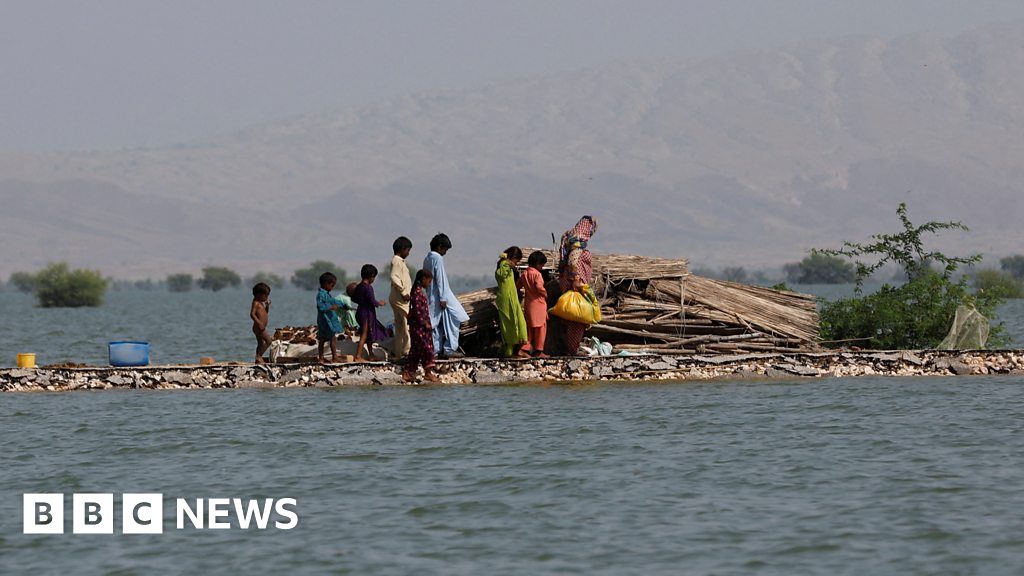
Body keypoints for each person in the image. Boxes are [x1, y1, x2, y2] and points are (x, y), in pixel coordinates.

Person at [423, 233, 469, 358]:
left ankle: (436, 350)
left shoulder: (427, 258)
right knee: (455, 318)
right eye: (445, 249)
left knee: (436, 324)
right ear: (439, 247)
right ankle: (449, 348)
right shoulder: (437, 258)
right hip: (442, 295)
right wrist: (443, 298)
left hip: (431, 295)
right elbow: (440, 278)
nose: (445, 252)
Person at [558, 216, 599, 355]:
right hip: (576, 285)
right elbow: (573, 261)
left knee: (574, 317)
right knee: (578, 318)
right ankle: (572, 348)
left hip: (570, 283)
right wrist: (576, 279)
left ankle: (571, 347)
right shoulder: (578, 240)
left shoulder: (569, 237)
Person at [403, 269, 439, 382]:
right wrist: (425, 323)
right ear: (423, 279)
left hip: (417, 326)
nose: (429, 284)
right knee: (426, 348)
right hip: (420, 327)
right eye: (429, 281)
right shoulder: (417, 294)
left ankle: (409, 373)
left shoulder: (417, 292)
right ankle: (428, 372)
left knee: (416, 350)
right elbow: (418, 311)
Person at [495, 247, 529, 358]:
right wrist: (508, 264)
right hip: (506, 299)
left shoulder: (506, 265)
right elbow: (501, 274)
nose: (516, 263)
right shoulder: (504, 265)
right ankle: (509, 351)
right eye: (516, 261)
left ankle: (512, 350)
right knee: (509, 324)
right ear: (513, 258)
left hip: (512, 299)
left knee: (517, 323)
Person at [352, 264, 388, 362]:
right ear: (372, 276)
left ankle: (371, 355)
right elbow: (372, 301)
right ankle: (358, 356)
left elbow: (353, 298)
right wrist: (380, 303)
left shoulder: (359, 286)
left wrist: (362, 302)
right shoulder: (368, 288)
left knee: (369, 333)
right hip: (366, 314)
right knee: (364, 334)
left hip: (360, 311)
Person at [519, 251, 549, 357]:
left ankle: (524, 349)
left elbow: (518, 286)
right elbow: (539, 287)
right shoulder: (537, 274)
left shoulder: (524, 274)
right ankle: (538, 351)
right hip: (539, 304)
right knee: (541, 328)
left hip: (528, 304)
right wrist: (545, 293)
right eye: (542, 265)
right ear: (537, 264)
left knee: (529, 328)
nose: (542, 267)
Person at [316, 272, 350, 363]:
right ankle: (331, 357)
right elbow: (320, 307)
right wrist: (331, 307)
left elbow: (334, 301)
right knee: (329, 338)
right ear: (326, 283)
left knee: (325, 338)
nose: (333, 287)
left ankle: (322, 358)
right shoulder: (321, 295)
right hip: (325, 320)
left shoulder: (326, 294)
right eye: (332, 285)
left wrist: (343, 305)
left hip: (328, 319)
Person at [389, 236, 414, 360]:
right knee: (406, 325)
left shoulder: (398, 261)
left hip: (397, 298)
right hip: (400, 299)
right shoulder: (397, 261)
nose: (408, 253)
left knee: (399, 326)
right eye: (408, 250)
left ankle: (398, 352)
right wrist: (404, 291)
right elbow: (394, 277)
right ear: (403, 249)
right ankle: (407, 351)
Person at [250, 282, 273, 364]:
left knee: (260, 344)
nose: (267, 297)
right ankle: (259, 356)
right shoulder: (256, 303)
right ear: (259, 295)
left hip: (261, 327)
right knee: (269, 341)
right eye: (265, 296)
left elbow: (265, 313)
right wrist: (259, 323)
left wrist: (267, 306)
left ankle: (257, 360)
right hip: (259, 327)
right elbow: (252, 314)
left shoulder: (261, 303)